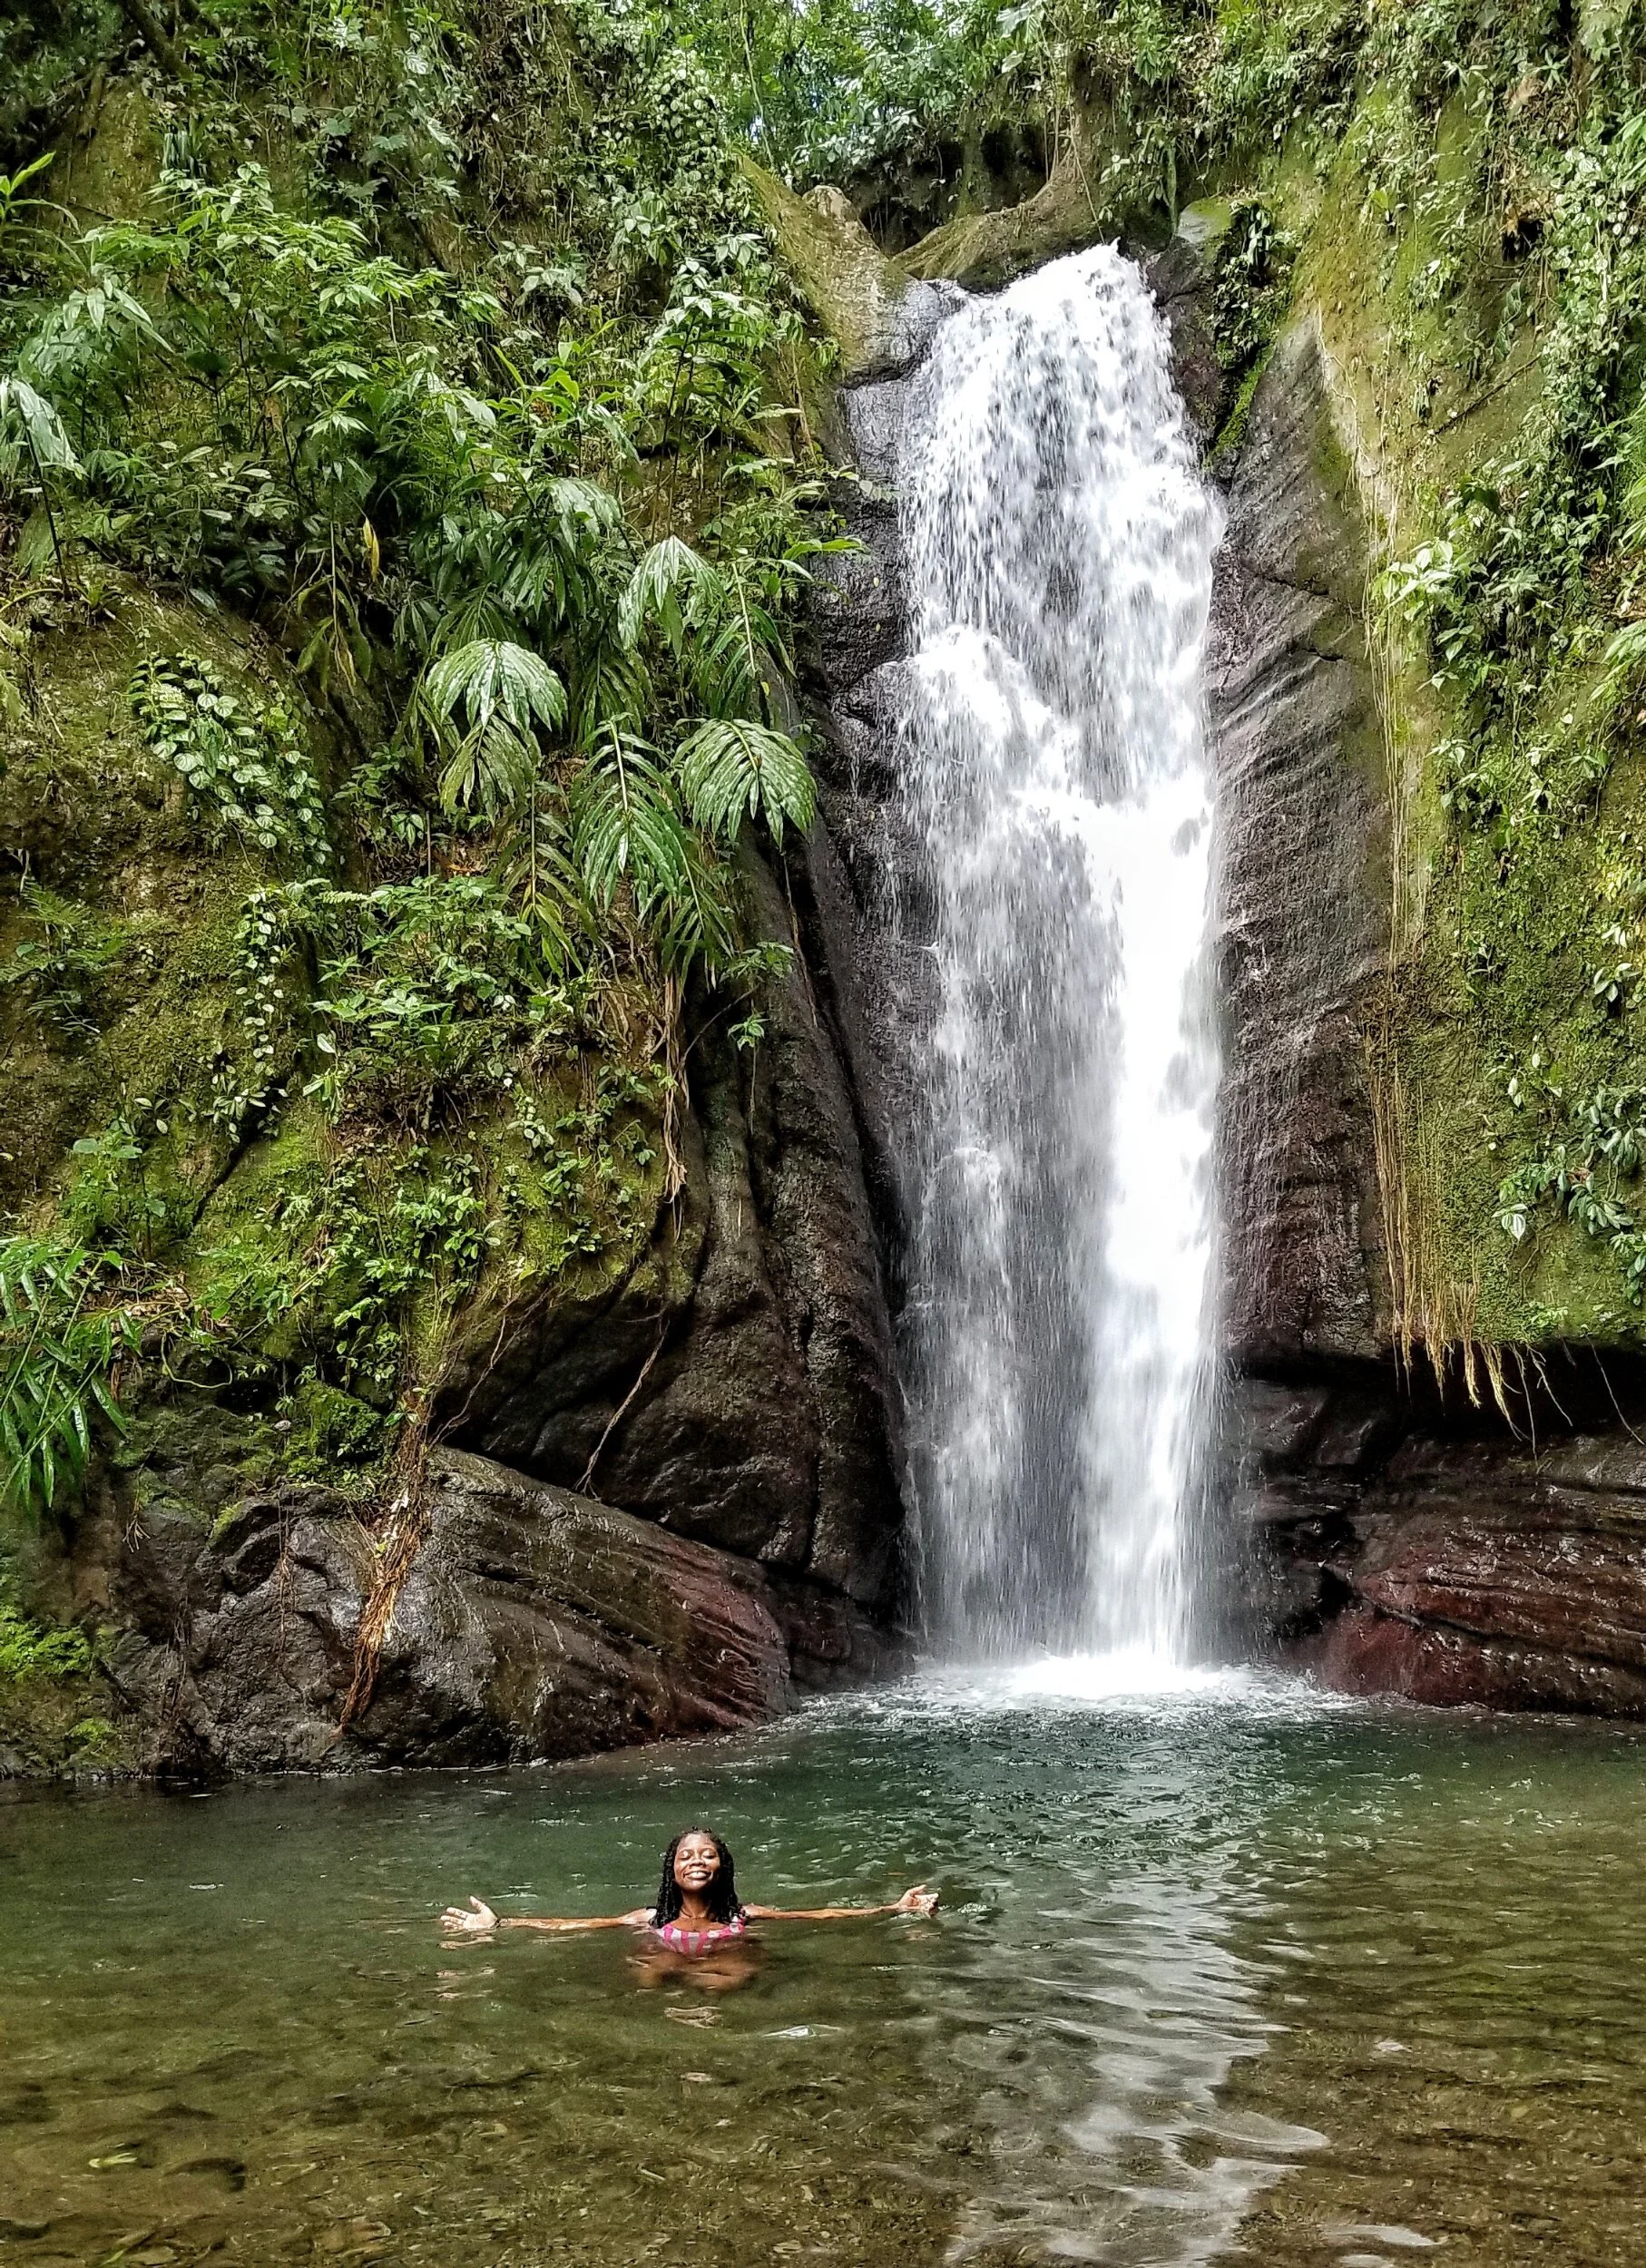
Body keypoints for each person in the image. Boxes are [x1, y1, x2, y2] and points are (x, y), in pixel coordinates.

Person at [440, 1825, 938, 1955]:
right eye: (686, 1855)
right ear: (671, 1871)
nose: (697, 1860)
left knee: (730, 1973)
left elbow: (821, 1915)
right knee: (646, 1973)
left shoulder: (745, 1914)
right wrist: (501, 1923)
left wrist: (894, 1908)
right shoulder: (649, 1919)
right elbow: (573, 1925)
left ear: (723, 1867)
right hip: (663, 1953)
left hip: (726, 1958)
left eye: (708, 1854)